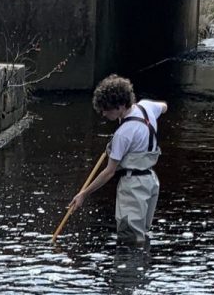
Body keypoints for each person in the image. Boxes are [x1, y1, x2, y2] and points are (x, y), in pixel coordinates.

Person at [69, 75, 168, 246]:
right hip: (150, 182)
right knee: (141, 235)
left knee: (129, 239)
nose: (104, 113)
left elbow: (109, 172)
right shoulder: (146, 107)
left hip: (133, 187)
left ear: (121, 106)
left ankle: (128, 272)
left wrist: (83, 194)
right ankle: (142, 269)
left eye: (107, 109)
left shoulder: (123, 134)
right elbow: (164, 107)